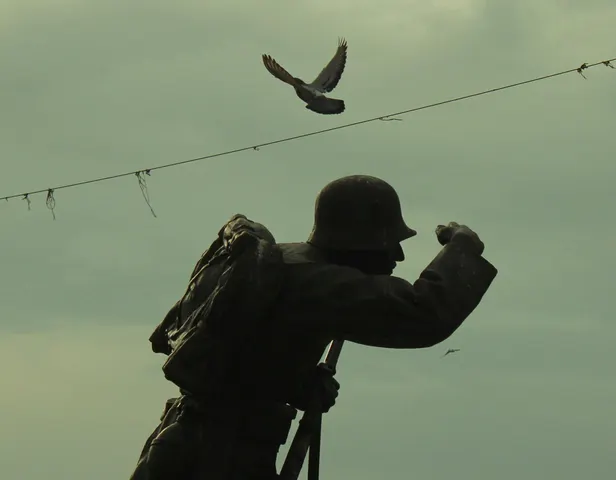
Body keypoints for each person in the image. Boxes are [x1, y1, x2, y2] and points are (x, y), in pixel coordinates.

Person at [129, 174, 498, 480]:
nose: (397, 256)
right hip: (222, 460)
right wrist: (462, 249)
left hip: (185, 448)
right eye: (390, 242)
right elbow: (422, 315)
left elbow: (240, 367)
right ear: (359, 238)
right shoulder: (318, 283)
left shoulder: (278, 267)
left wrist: (295, 382)